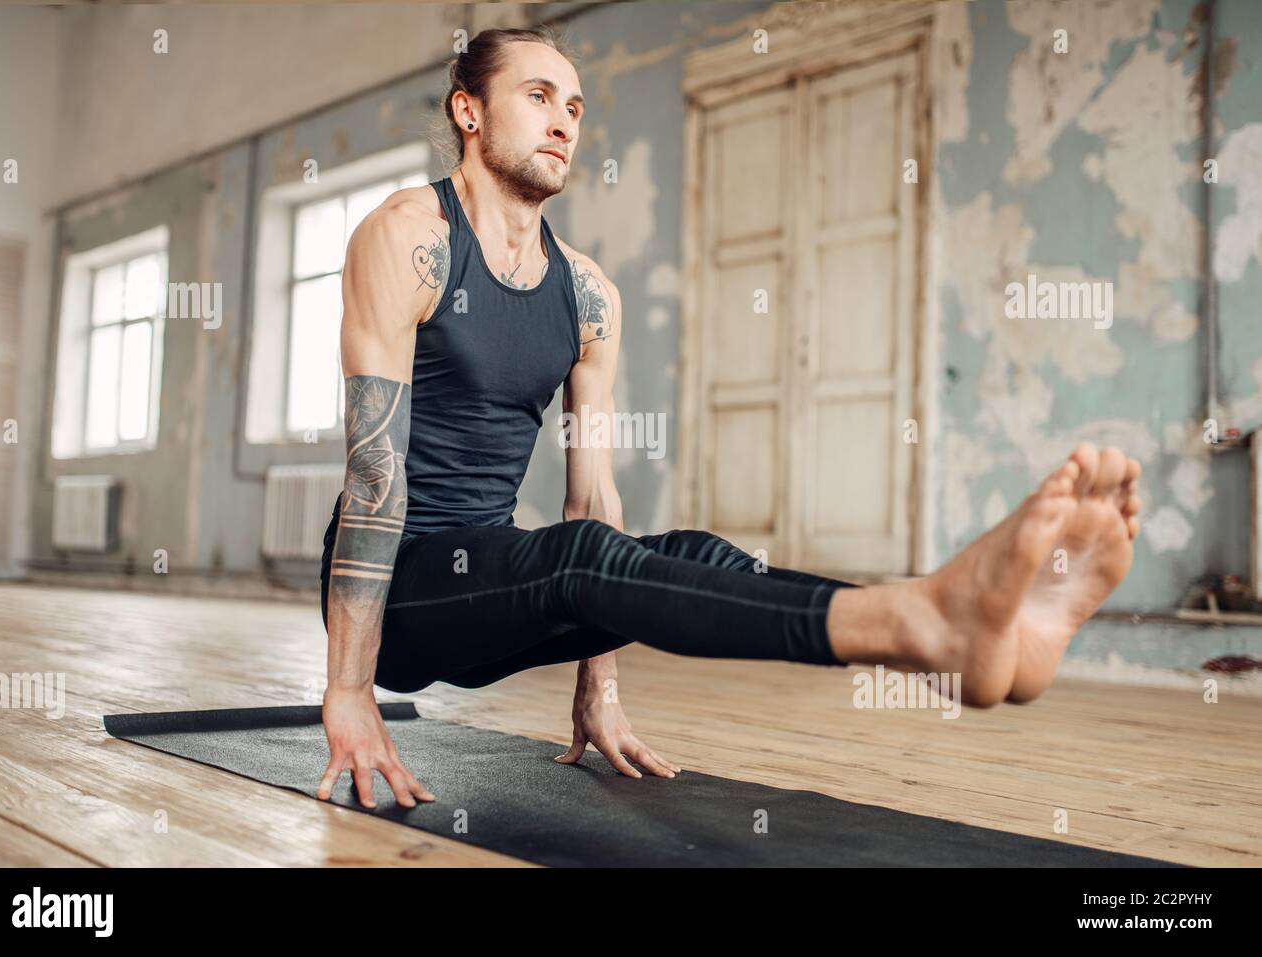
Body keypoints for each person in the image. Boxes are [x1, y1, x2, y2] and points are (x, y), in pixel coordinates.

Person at [315, 27, 1142, 810]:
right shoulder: (407, 237)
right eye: (538, 96)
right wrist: (350, 688)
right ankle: (922, 617)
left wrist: (598, 691)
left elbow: (593, 500)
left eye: (574, 107)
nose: (564, 122)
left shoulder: (589, 293)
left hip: (492, 588)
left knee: (669, 553)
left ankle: (931, 633)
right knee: (578, 559)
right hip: (398, 596)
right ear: (469, 110)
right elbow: (375, 474)